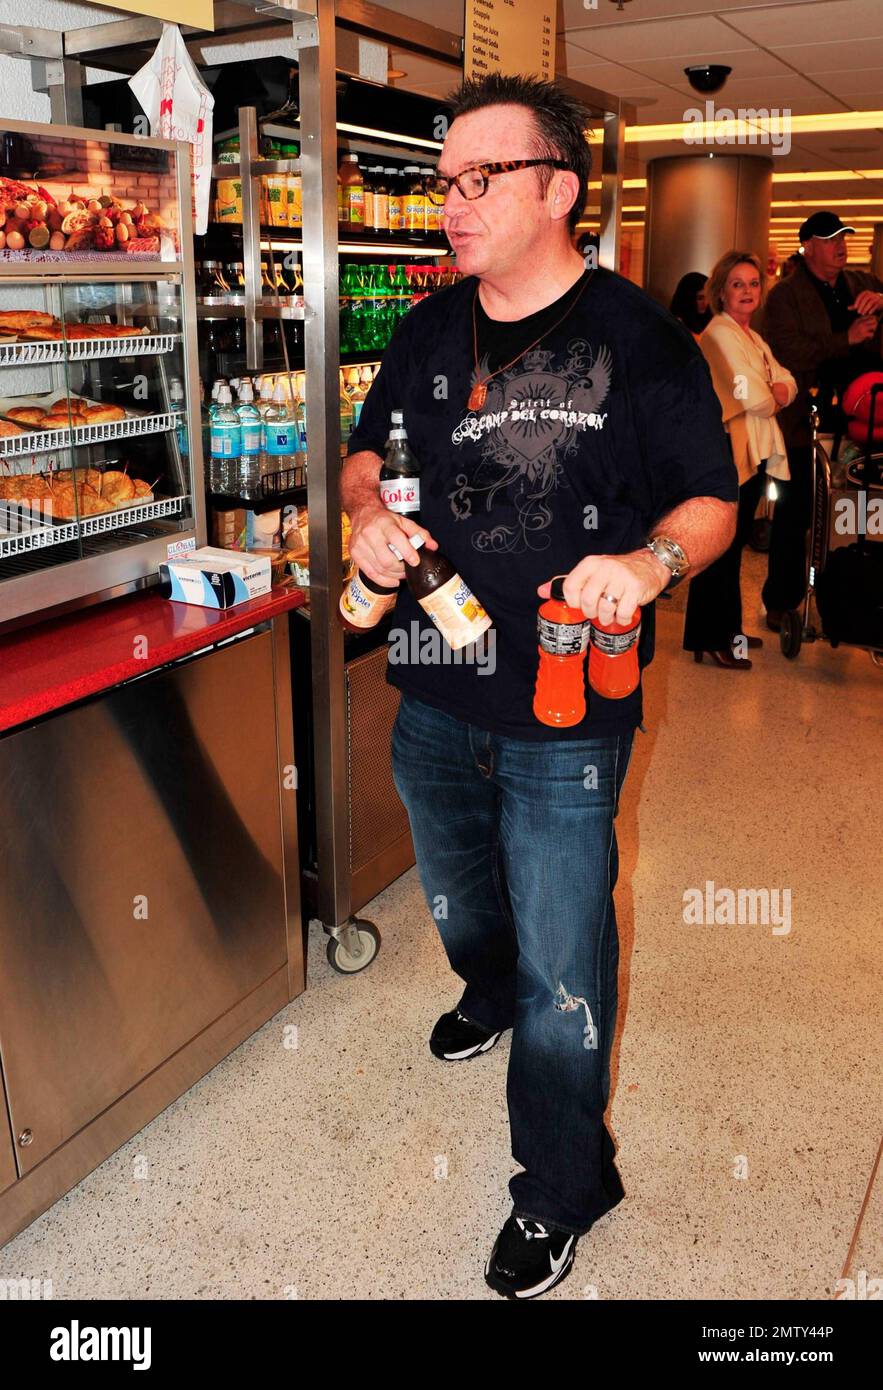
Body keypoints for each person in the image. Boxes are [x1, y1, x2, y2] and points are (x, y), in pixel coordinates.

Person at [340, 73, 737, 1300]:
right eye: (442, 182)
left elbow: (711, 503)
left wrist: (649, 560)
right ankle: (487, 984)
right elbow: (362, 457)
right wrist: (364, 518)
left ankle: (564, 1186)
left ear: (559, 189)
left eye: (480, 178)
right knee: (462, 904)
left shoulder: (639, 339)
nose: (450, 203)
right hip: (432, 683)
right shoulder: (427, 328)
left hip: (568, 706)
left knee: (566, 954)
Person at [761, 211, 883, 628]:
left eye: (843, 237)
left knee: (856, 509)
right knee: (796, 513)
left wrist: (881, 303)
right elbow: (786, 351)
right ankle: (782, 601)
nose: (840, 245)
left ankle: (852, 595)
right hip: (805, 421)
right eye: (830, 239)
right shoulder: (785, 296)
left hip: (863, 418)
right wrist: (845, 339)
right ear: (808, 247)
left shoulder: (863, 283)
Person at [683, 251, 797, 668]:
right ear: (721, 293)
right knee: (721, 548)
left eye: (753, 283)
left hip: (751, 452)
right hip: (731, 452)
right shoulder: (721, 334)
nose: (747, 291)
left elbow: (787, 380)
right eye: (737, 284)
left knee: (733, 548)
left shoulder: (751, 336)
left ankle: (728, 631)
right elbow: (758, 398)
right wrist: (774, 392)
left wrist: (777, 389)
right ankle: (711, 636)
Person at [669, 271, 712, 340]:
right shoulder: (677, 325)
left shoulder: (710, 319)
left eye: (707, 297)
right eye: (700, 298)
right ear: (688, 298)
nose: (705, 303)